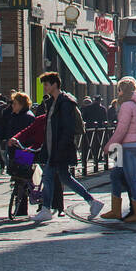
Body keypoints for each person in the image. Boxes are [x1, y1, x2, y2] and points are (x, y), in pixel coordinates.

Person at [33, 72, 103, 223]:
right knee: (65, 178)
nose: (44, 88)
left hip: (59, 149)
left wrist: (60, 150)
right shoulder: (53, 102)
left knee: (48, 177)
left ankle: (46, 209)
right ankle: (93, 202)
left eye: (46, 84)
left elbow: (67, 128)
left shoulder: (64, 103)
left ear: (54, 85)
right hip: (54, 148)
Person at [101, 77, 136, 223]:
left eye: (119, 89)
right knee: (115, 174)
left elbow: (121, 129)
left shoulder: (127, 105)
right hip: (134, 144)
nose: (118, 92)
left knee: (131, 179)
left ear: (123, 90)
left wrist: (109, 145)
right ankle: (116, 210)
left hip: (127, 146)